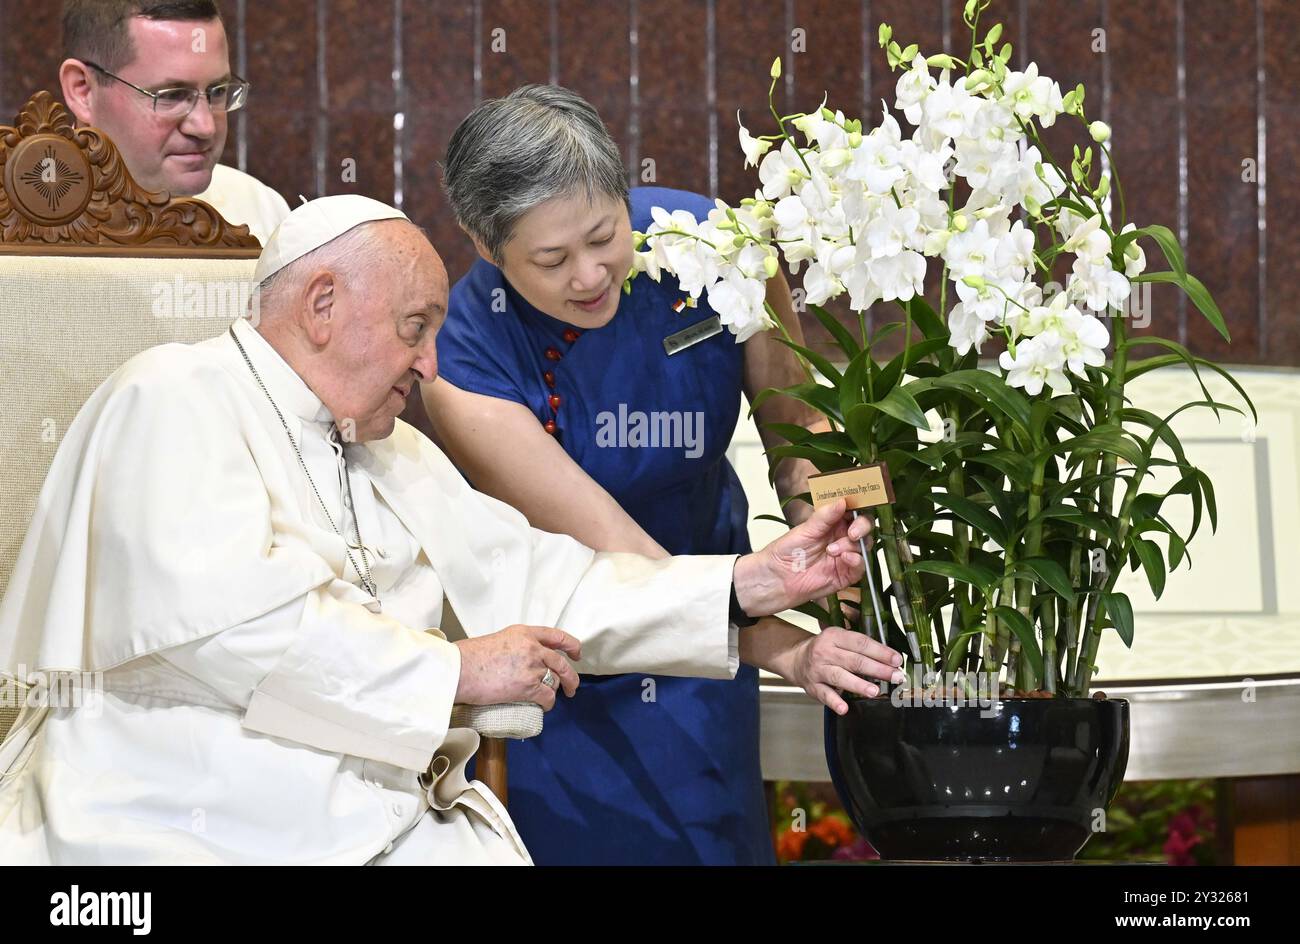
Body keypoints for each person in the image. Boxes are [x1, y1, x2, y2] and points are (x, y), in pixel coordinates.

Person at [0, 195, 894, 865]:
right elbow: (234, 630)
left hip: (368, 798)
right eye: (413, 328)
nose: (430, 362)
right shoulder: (174, 393)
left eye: (602, 239)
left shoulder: (390, 448)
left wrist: (747, 586)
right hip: (176, 798)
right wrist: (455, 669)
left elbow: (550, 575)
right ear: (320, 305)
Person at [428, 84, 894, 865]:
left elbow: (797, 424)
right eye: (550, 259)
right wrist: (784, 647)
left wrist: (852, 542)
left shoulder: (713, 246)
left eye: (604, 235)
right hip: (565, 675)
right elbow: (610, 545)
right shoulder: (465, 355)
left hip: (715, 657)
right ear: (486, 248)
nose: (589, 275)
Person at [58, 0, 289, 243]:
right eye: (171, 96)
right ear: (82, 91)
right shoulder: (22, 223)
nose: (205, 126)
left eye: (218, 91)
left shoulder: (261, 212)